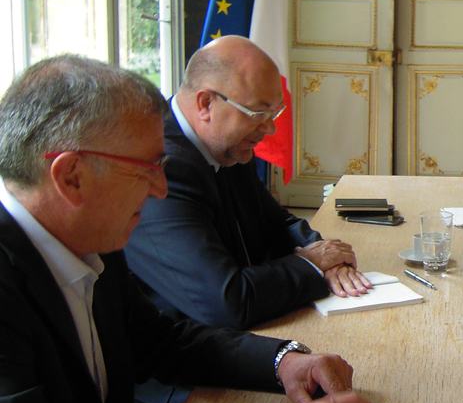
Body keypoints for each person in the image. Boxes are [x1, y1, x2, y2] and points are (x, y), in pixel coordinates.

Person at [0, 55, 394, 403]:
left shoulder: (85, 236)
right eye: (146, 169)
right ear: (71, 176)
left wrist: (282, 362)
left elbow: (163, 341)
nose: (162, 188)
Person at [125, 35, 371, 331]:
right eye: (258, 113)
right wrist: (312, 264)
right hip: (187, 357)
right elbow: (227, 302)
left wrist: (323, 251)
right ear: (205, 103)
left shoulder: (224, 144)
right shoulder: (161, 167)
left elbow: (277, 223)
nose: (269, 128)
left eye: (274, 113)